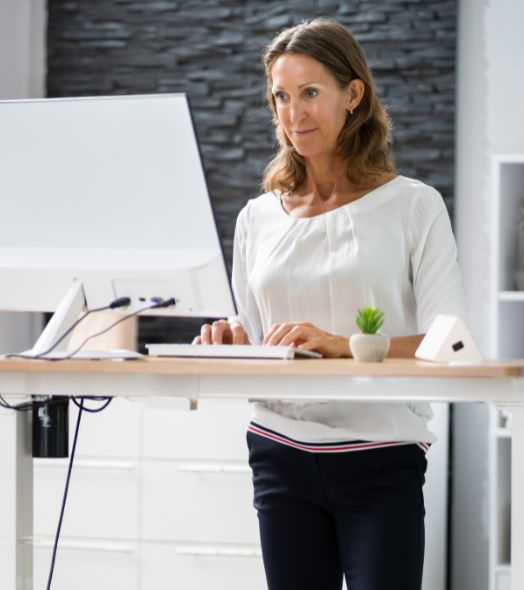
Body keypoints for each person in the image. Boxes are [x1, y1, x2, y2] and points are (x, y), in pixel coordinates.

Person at [191, 17, 466, 590]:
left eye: (310, 93)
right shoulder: (257, 218)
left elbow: (452, 343)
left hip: (380, 454)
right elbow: (259, 334)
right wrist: (233, 341)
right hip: (277, 452)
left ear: (353, 94)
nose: (294, 114)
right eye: (281, 97)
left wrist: (347, 346)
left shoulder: (413, 206)